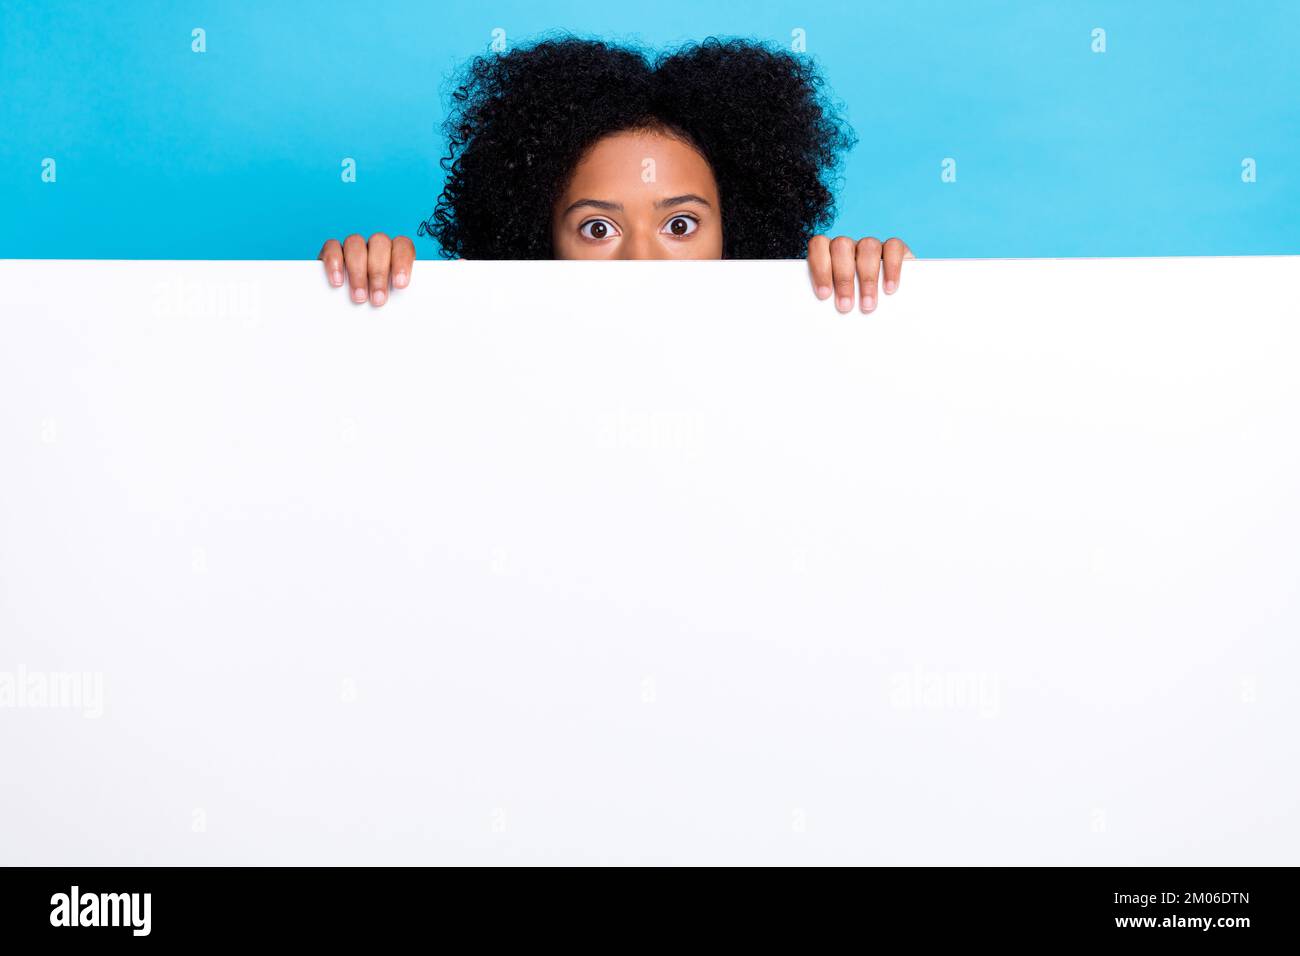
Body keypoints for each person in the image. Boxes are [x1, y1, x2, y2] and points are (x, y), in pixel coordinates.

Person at [318, 36, 913, 311]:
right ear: (539, 238)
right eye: (598, 229)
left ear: (735, 231)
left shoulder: (787, 358)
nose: (642, 264)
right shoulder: (486, 364)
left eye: (680, 225)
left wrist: (875, 292)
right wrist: (368, 295)